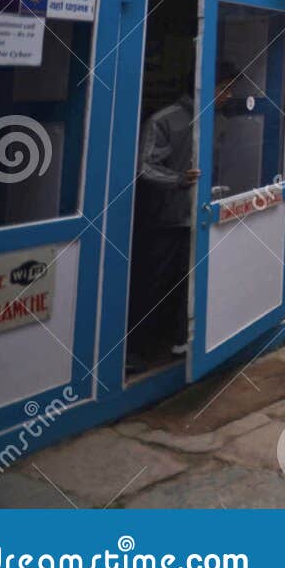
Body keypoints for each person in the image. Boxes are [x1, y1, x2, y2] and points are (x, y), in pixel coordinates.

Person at [128, 91, 199, 370]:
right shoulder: (165, 119)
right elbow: (144, 167)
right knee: (153, 283)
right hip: (165, 218)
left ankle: (180, 340)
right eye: (224, 88)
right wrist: (178, 180)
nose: (229, 96)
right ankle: (135, 351)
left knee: (185, 284)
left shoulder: (216, 118)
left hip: (194, 219)